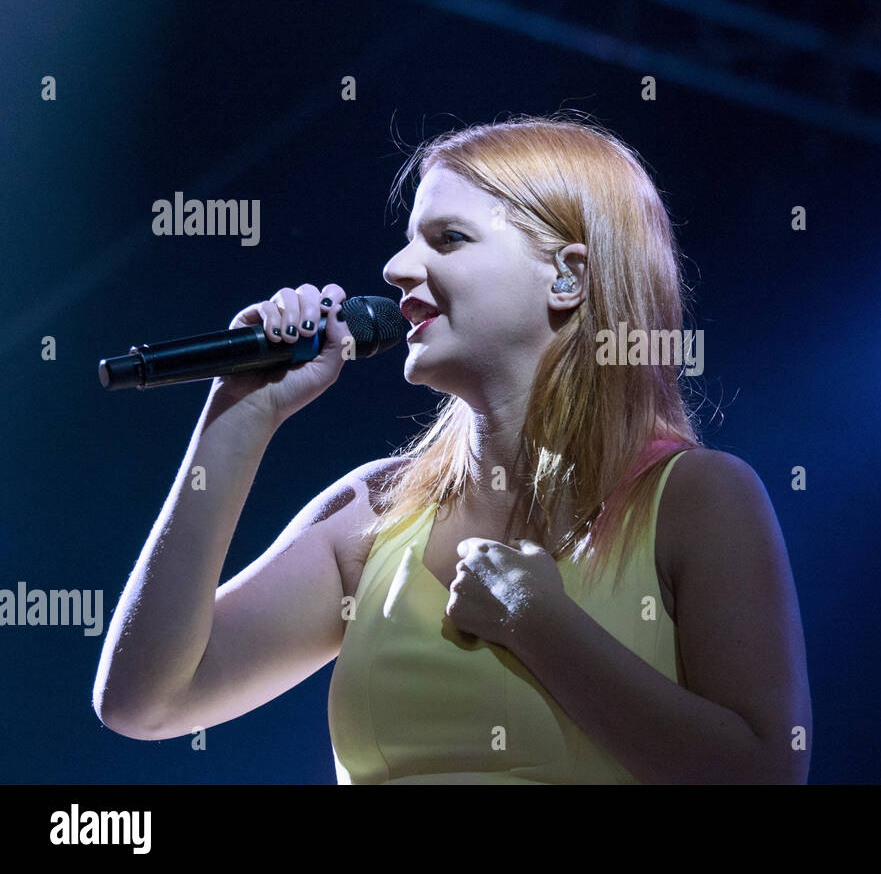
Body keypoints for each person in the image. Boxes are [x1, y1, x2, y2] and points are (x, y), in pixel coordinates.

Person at [93, 114, 812, 783]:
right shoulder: (374, 511)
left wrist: (542, 626)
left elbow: (765, 772)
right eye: (411, 239)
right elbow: (145, 701)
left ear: (567, 275)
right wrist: (239, 413)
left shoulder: (697, 499)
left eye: (448, 239)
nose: (396, 268)